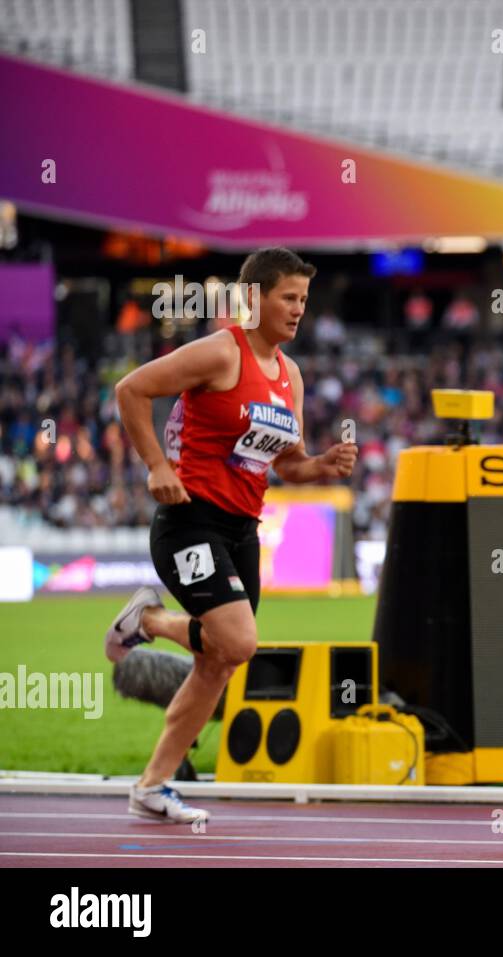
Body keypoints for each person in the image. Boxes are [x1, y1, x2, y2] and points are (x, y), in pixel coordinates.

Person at [107, 247, 358, 823]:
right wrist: (156, 466)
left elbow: (287, 464)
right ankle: (148, 622)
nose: (299, 310)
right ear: (255, 299)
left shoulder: (289, 375)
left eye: (304, 300)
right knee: (239, 642)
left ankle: (152, 786)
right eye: (288, 298)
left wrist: (322, 463)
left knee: (219, 663)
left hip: (243, 528)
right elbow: (131, 390)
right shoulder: (222, 352)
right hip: (189, 521)